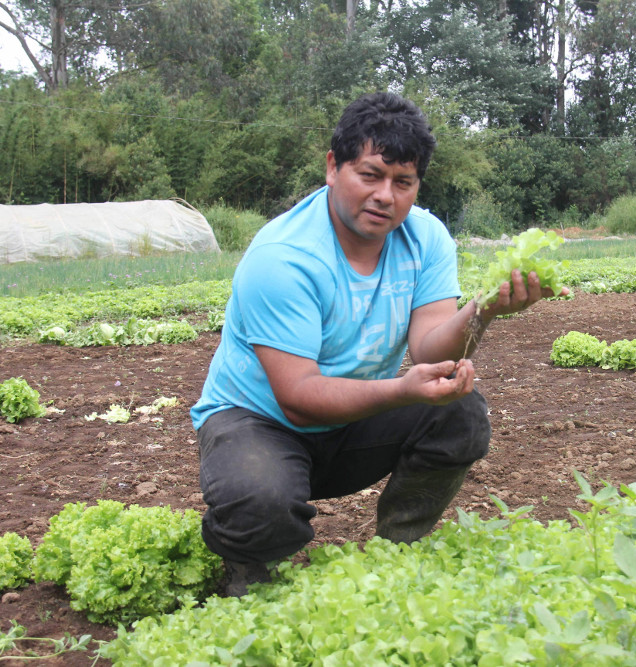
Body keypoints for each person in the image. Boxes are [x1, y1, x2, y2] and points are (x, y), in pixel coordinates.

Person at [191, 91, 564, 596]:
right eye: (370, 175)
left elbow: (431, 351)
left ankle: (398, 552)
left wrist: (483, 311)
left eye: (402, 182)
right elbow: (298, 399)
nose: (385, 196)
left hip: (352, 418)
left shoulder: (425, 237)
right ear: (333, 168)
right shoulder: (283, 258)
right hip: (261, 422)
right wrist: (401, 389)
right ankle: (246, 569)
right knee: (259, 499)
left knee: (460, 411)